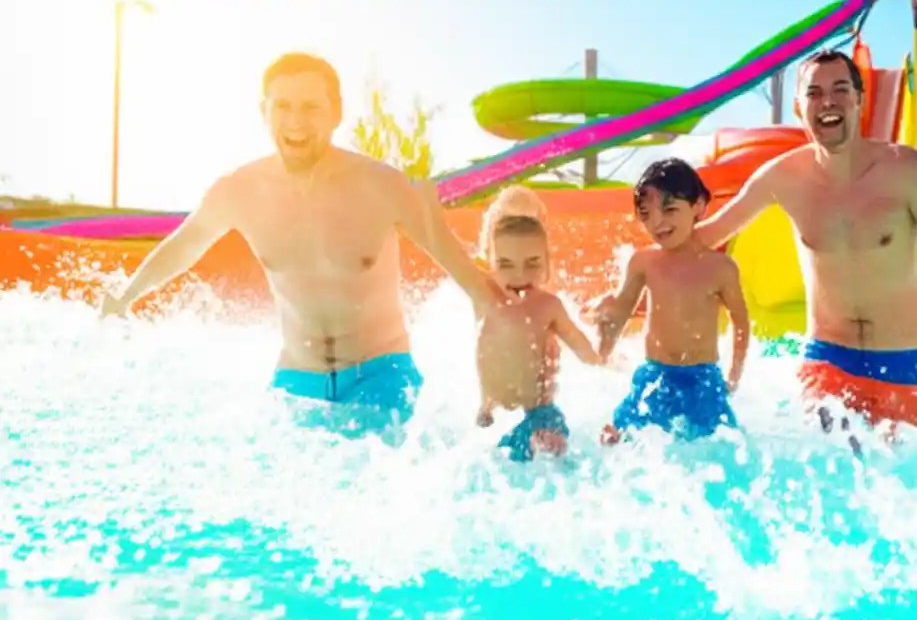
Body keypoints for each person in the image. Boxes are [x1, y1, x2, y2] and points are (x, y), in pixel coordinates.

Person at [98, 53, 502, 435]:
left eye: (311, 107)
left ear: (336, 113)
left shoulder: (381, 187)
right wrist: (125, 297)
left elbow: (467, 278)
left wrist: (497, 375)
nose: (295, 121)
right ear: (264, 111)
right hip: (295, 381)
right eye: (283, 106)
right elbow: (183, 247)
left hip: (382, 374)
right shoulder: (239, 191)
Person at [692, 49, 917, 437]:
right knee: (834, 446)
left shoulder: (907, 170)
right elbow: (707, 236)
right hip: (828, 360)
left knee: (905, 470)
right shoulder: (781, 178)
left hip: (907, 363)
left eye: (840, 89)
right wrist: (643, 257)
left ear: (860, 99)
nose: (828, 101)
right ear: (798, 107)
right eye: (814, 93)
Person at [595, 158, 750, 443]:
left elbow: (740, 321)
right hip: (656, 374)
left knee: (718, 442)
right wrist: (604, 337)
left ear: (698, 206)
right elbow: (622, 311)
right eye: (646, 214)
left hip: (703, 378)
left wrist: (733, 376)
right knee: (617, 438)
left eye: (669, 209)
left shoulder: (720, 268)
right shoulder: (644, 262)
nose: (657, 223)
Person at [472, 212, 602, 461]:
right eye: (506, 264)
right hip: (493, 415)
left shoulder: (548, 307)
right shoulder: (484, 299)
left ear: (547, 263)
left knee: (545, 449)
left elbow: (582, 349)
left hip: (541, 415)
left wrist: (605, 362)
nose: (520, 275)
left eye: (532, 264)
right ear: (489, 263)